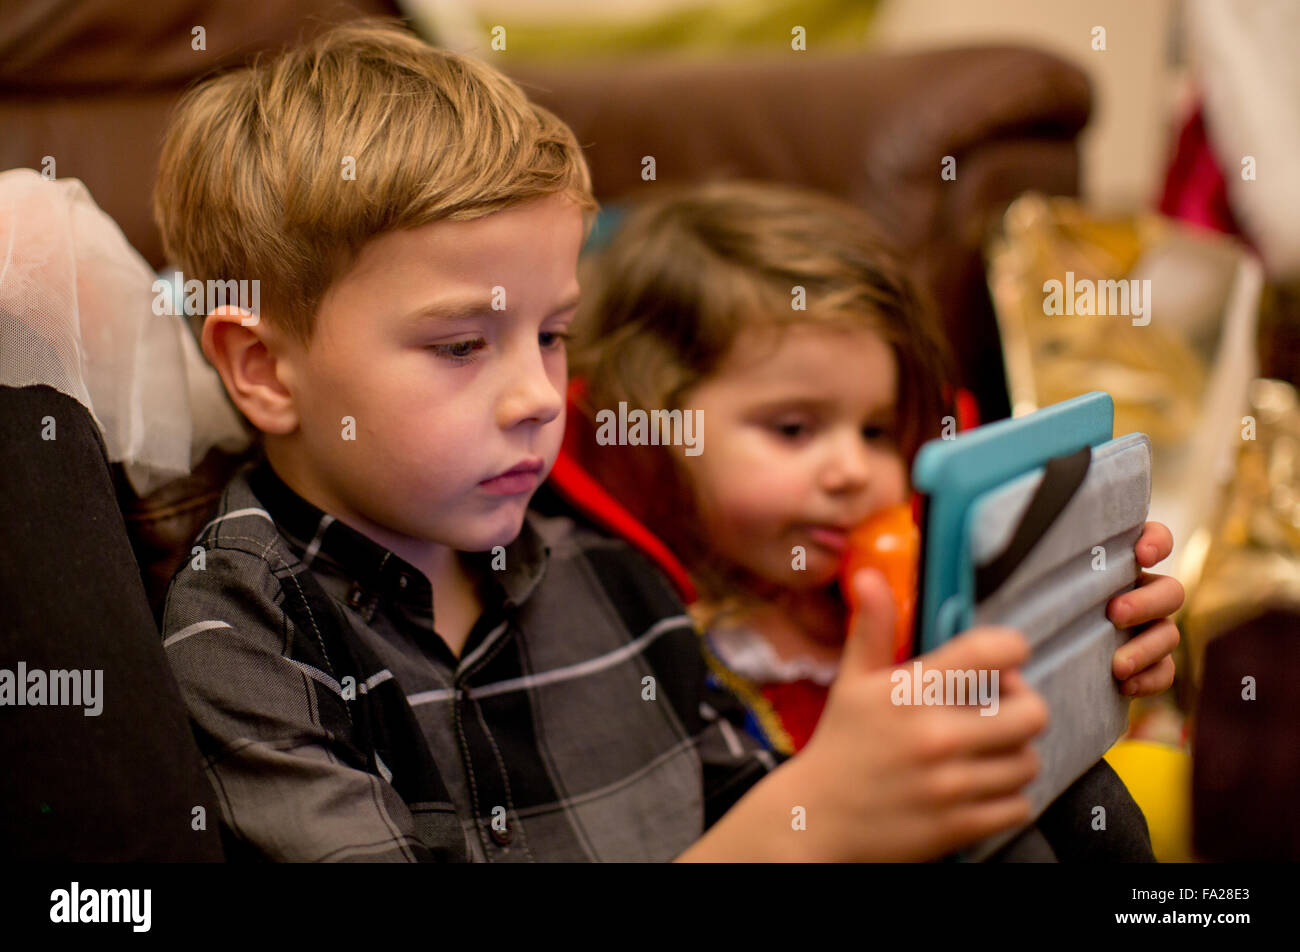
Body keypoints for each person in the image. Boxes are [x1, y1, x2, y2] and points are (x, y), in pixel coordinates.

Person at [159, 19, 1070, 863]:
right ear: (265, 370)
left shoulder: (609, 576)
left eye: (552, 335)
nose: (536, 397)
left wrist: (1054, 655)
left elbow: (764, 810)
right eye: (462, 345)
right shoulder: (250, 637)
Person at [563, 180, 1183, 858]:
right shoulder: (628, 628)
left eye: (878, 431)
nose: (852, 471)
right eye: (794, 428)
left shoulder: (924, 571)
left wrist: (1097, 635)